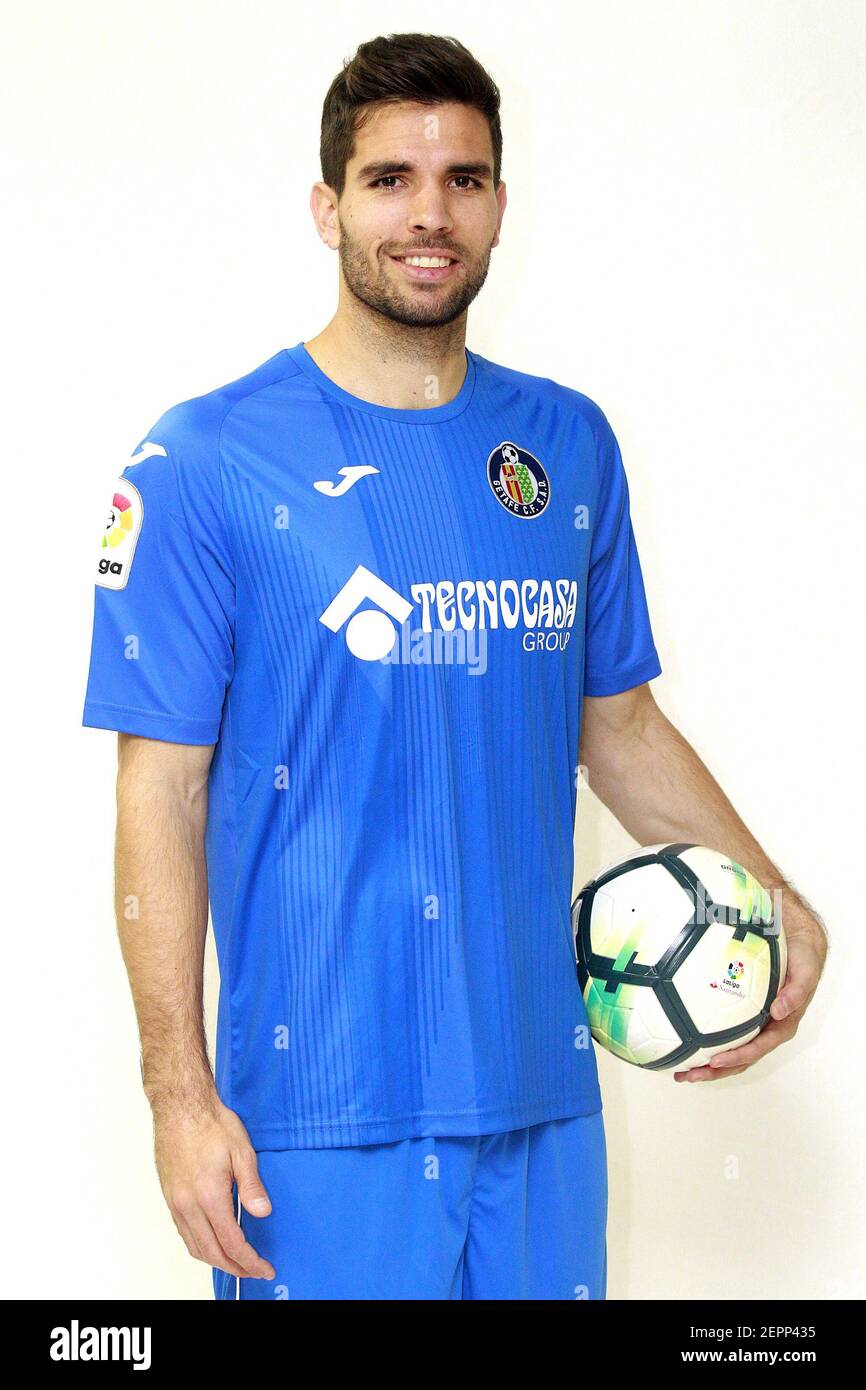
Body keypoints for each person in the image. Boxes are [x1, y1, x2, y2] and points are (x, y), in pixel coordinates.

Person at [82, 32, 827, 1301]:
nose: (429, 213)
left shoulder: (566, 446)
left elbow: (618, 723)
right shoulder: (204, 462)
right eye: (389, 179)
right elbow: (162, 787)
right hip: (315, 1116)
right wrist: (177, 1093)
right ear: (327, 207)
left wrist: (772, 897)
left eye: (462, 179)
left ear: (498, 204)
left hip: (541, 1098)